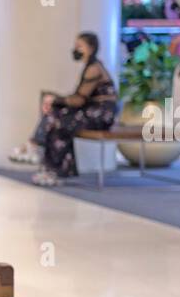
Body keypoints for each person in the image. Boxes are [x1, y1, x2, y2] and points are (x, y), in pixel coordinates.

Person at [22, 32, 118, 185]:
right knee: (57, 122)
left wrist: (55, 100)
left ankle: (35, 146)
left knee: (57, 119)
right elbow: (77, 98)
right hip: (90, 111)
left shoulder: (94, 68)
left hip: (101, 115)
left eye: (80, 46)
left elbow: (79, 100)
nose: (76, 49)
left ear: (91, 48)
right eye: (75, 46)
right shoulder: (90, 67)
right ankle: (51, 170)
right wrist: (54, 101)